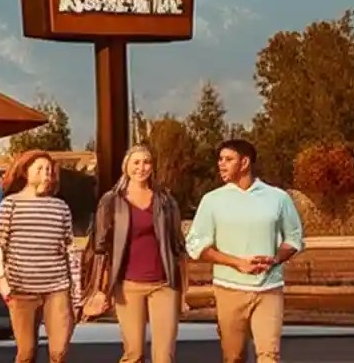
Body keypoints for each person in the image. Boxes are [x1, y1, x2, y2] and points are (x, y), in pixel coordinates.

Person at [185, 138, 305, 363]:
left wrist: (276, 259)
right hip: (229, 290)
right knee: (233, 357)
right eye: (220, 159)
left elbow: (295, 238)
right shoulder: (212, 201)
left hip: (269, 289)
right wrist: (236, 263)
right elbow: (196, 245)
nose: (221, 164)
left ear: (245, 162)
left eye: (228, 159)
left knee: (269, 355)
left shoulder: (278, 198)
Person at [80, 145, 188, 363]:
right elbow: (100, 247)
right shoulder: (111, 201)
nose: (141, 167)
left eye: (146, 162)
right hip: (128, 285)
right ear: (126, 166)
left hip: (164, 285)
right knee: (134, 353)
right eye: (136, 162)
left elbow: (178, 246)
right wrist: (100, 289)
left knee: (164, 356)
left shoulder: (165, 200)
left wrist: (184, 290)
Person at [0, 149, 80, 363]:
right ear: (25, 172)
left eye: (48, 170)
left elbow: (70, 251)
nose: (45, 174)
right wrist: (3, 284)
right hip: (21, 290)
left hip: (57, 288)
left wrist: (76, 293)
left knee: (59, 352)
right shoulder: (10, 205)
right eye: (39, 169)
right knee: (27, 352)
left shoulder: (60, 207)